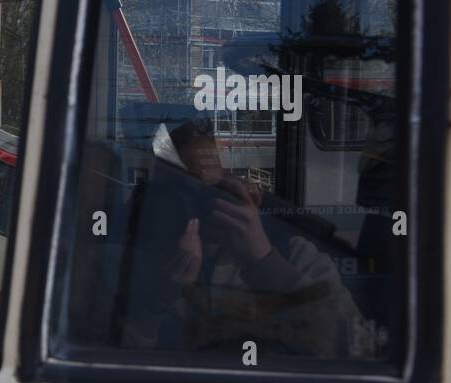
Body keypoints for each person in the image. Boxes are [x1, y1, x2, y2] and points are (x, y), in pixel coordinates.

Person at [121, 120, 373, 360]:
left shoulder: (292, 255)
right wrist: (153, 305)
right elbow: (109, 364)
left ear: (228, 192)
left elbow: (354, 347)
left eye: (198, 191)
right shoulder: (130, 259)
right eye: (170, 194)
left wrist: (263, 261)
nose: (181, 207)